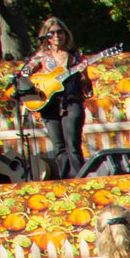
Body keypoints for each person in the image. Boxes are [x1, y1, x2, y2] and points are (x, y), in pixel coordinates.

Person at [21, 17, 90, 179]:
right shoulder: (41, 57)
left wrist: (85, 75)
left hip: (72, 102)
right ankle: (66, 181)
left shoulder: (75, 56)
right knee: (59, 147)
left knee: (72, 145)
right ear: (46, 36)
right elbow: (24, 75)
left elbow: (86, 88)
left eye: (60, 32)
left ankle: (79, 182)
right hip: (49, 105)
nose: (57, 36)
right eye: (52, 33)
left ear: (66, 34)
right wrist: (40, 84)